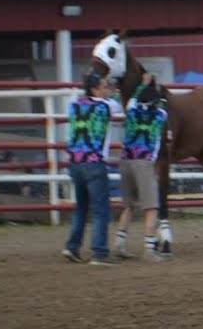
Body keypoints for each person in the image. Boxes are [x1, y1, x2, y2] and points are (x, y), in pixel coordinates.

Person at [62, 72, 122, 265]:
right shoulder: (106, 106)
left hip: (75, 162)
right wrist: (114, 92)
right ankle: (99, 252)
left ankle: (72, 246)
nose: (107, 89)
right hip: (94, 163)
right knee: (100, 210)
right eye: (104, 86)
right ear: (95, 89)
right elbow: (119, 104)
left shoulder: (74, 106)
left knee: (80, 208)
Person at [114, 77, 168, 261]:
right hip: (143, 162)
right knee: (151, 207)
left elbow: (133, 101)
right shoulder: (159, 116)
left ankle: (120, 243)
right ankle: (149, 249)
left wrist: (142, 86)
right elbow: (162, 107)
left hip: (125, 159)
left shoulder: (131, 111)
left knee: (128, 206)